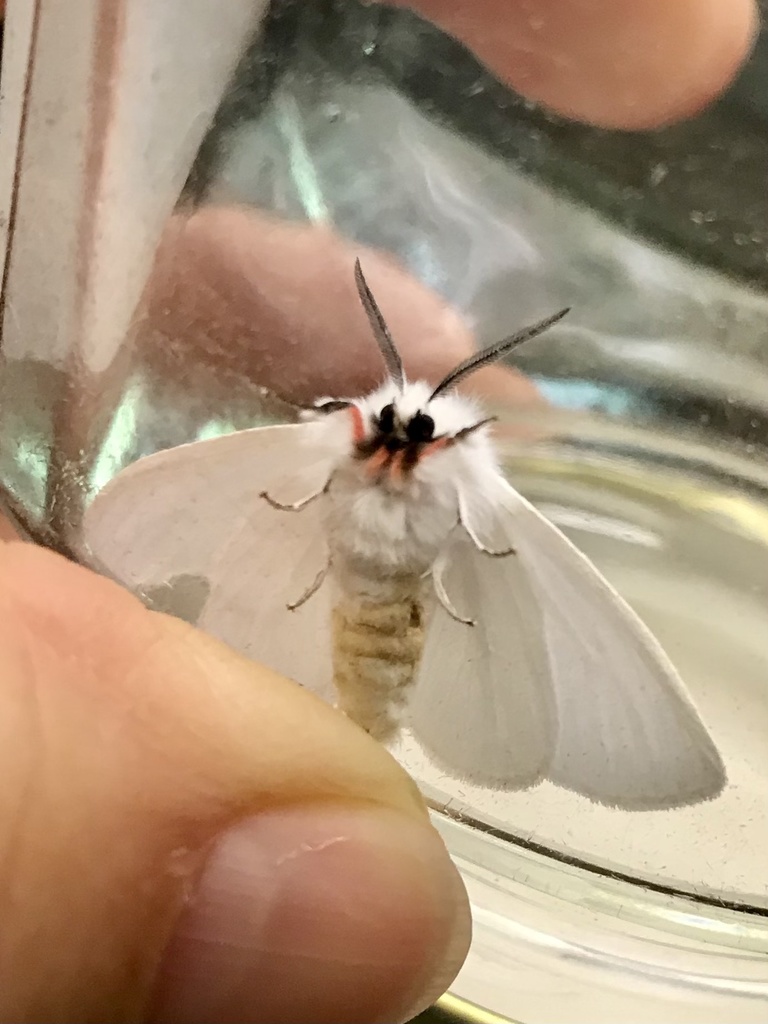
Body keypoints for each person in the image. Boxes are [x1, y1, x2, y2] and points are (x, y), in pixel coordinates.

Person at [0, 1, 756, 1021]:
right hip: (309, 612)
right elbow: (156, 513)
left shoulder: (460, 484)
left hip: (397, 620)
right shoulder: (329, 443)